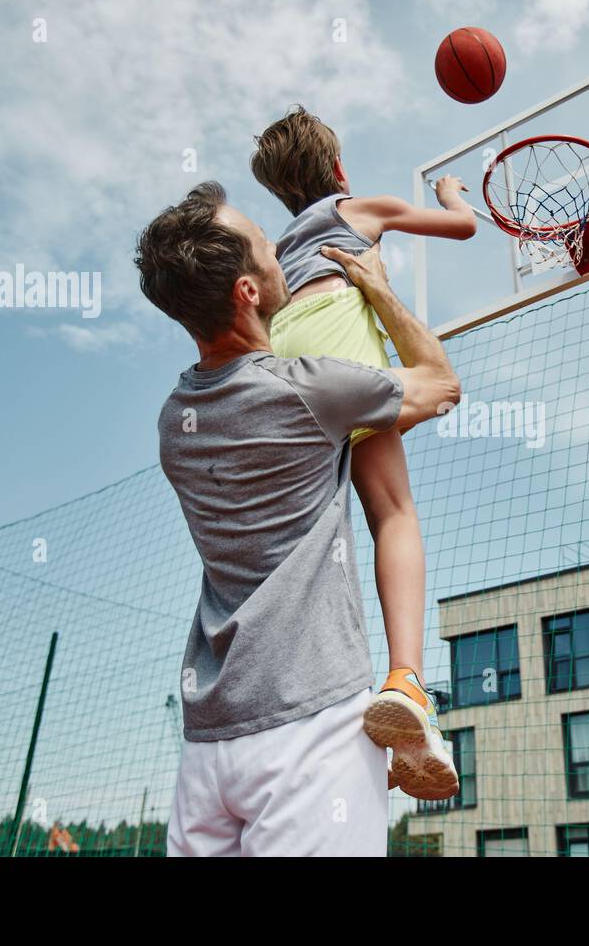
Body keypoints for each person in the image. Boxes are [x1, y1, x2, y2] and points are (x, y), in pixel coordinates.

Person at [134, 181, 460, 855]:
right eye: (267, 245)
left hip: (209, 742)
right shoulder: (314, 389)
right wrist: (375, 288)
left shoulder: (173, 423)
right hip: (311, 727)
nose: (284, 254)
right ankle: (412, 682)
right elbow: (440, 382)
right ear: (248, 292)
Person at [249, 105, 476, 799]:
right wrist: (449, 195)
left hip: (282, 356)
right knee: (392, 512)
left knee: (309, 533)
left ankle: (302, 698)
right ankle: (405, 679)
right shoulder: (356, 206)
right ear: (338, 170)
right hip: (339, 335)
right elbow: (461, 230)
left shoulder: (280, 241)